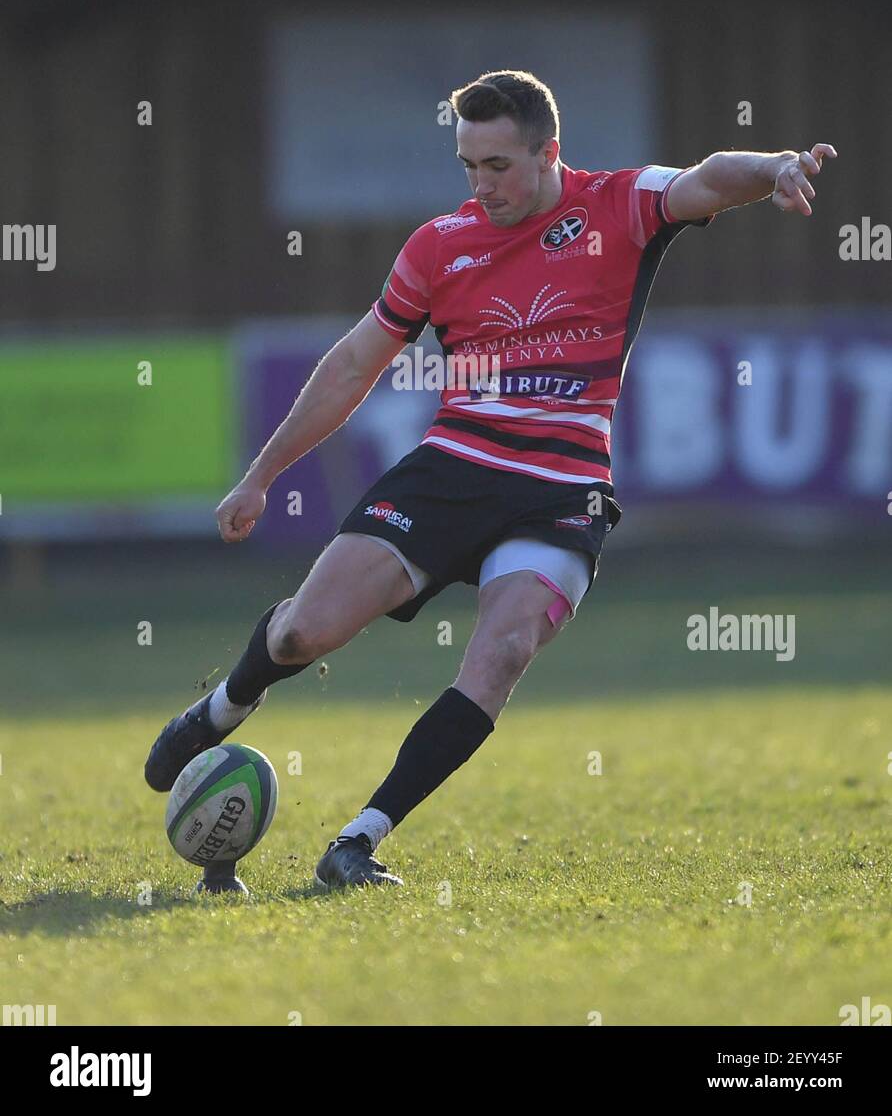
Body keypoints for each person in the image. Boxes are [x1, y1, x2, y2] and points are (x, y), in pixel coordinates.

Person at [144, 68, 835, 890]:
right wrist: (260, 476)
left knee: (501, 652)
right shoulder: (441, 244)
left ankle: (357, 842)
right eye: (469, 164)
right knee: (304, 634)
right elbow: (354, 364)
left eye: (498, 165)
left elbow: (708, 177)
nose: (482, 184)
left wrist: (776, 166)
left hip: (560, 488)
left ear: (549, 152)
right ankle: (221, 709)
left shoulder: (619, 204)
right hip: (454, 468)